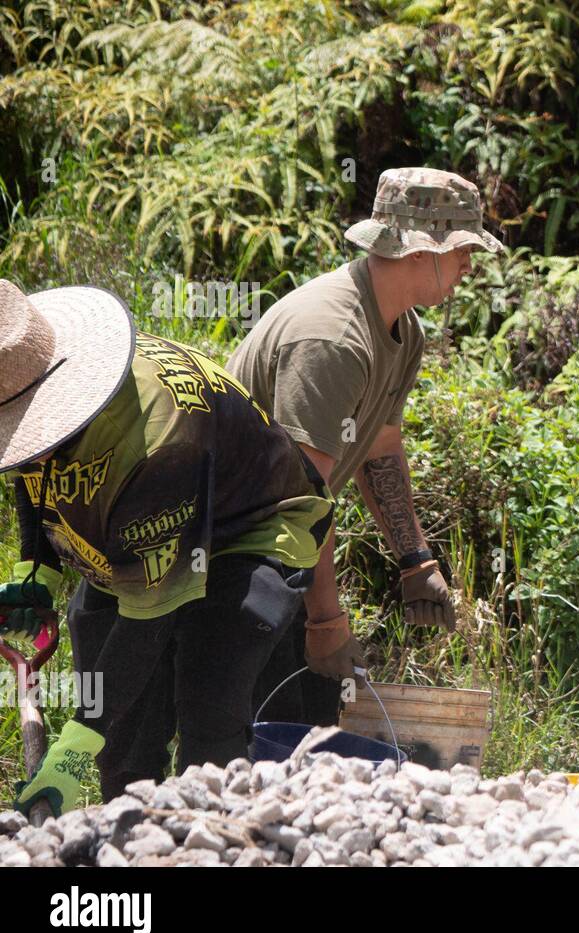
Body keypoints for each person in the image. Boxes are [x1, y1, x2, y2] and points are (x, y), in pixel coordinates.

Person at [0, 280, 333, 814]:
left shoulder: (156, 444)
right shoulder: (29, 384)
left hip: (243, 531)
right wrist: (37, 576)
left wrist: (72, 750)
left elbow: (145, 626)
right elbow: (30, 466)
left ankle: (210, 837)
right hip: (128, 536)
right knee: (123, 735)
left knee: (210, 712)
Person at [229, 168, 504, 727]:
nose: (469, 266)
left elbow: (379, 446)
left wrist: (414, 558)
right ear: (419, 251)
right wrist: (326, 625)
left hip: (281, 550)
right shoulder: (333, 339)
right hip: (233, 560)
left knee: (314, 732)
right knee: (260, 738)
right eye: (462, 251)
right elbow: (303, 497)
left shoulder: (403, 331)